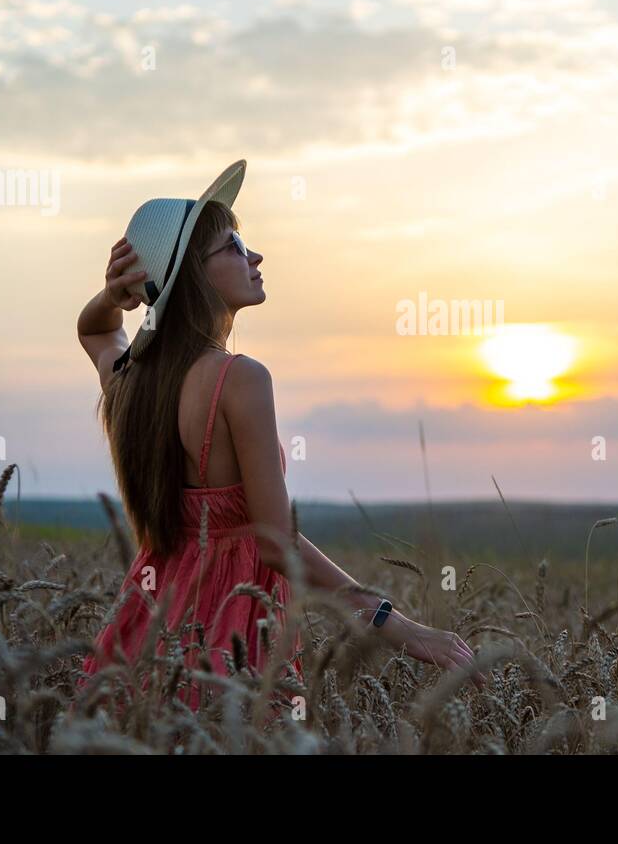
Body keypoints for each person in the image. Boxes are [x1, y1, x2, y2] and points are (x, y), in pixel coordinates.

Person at [75, 161, 484, 714]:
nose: (254, 256)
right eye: (233, 245)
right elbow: (274, 539)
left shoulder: (129, 381)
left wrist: (113, 298)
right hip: (224, 639)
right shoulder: (239, 379)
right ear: (193, 276)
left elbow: (95, 329)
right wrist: (395, 622)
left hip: (144, 636)